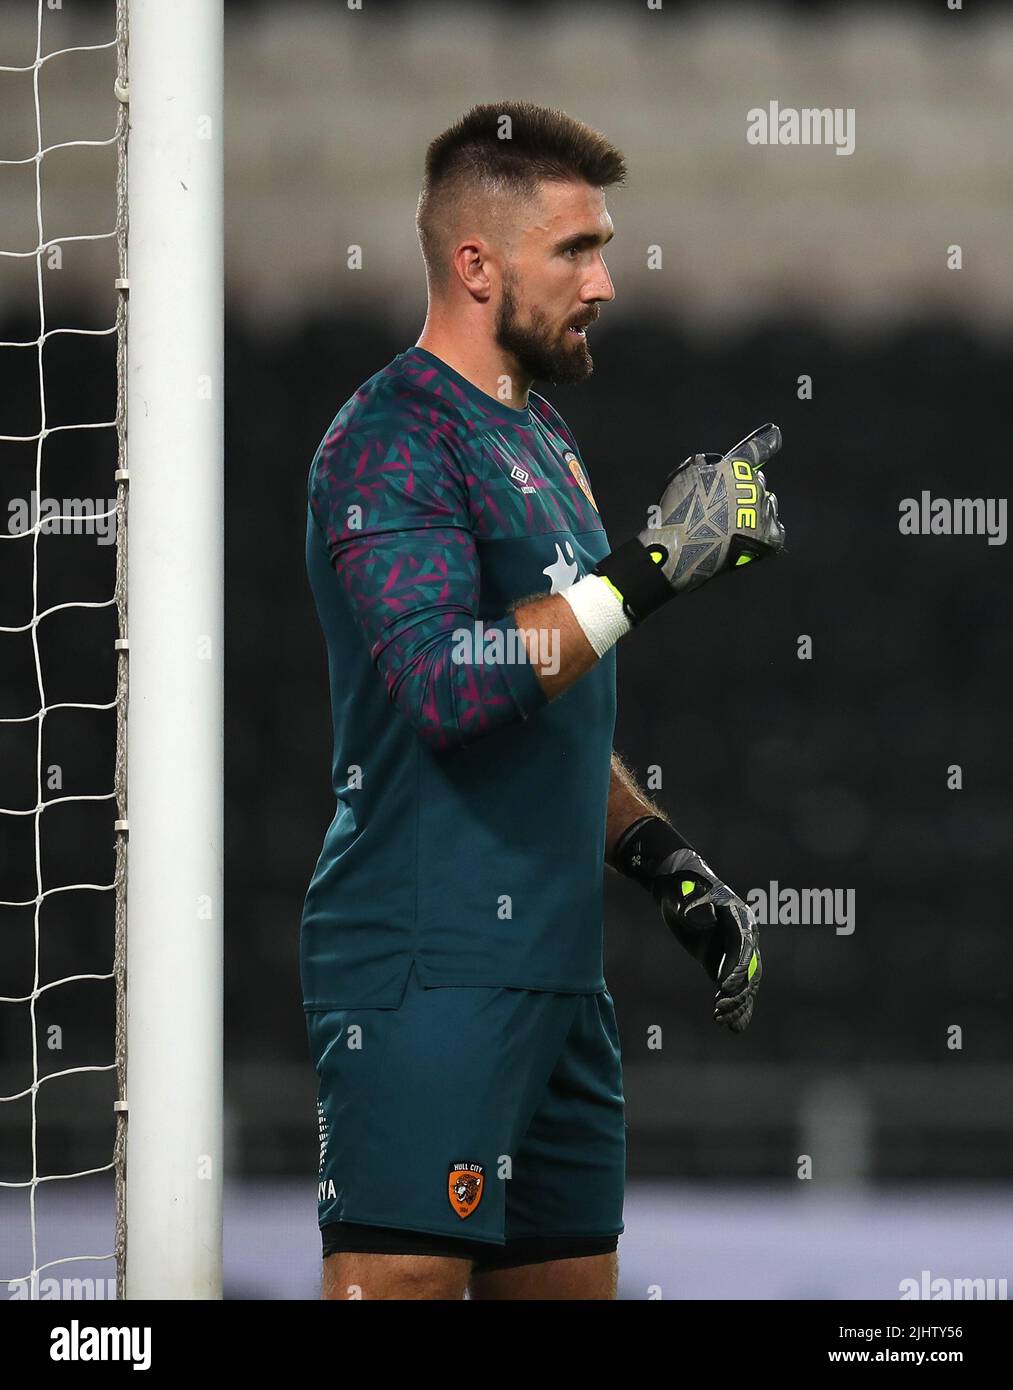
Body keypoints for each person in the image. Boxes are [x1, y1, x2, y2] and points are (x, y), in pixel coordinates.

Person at [302, 101, 785, 1301]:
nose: (604, 282)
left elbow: (553, 702)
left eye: (602, 248)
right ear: (476, 264)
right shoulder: (390, 438)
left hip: (562, 982)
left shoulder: (544, 438)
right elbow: (444, 681)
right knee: (400, 1285)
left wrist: (666, 862)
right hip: (427, 972)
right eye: (575, 249)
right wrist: (652, 566)